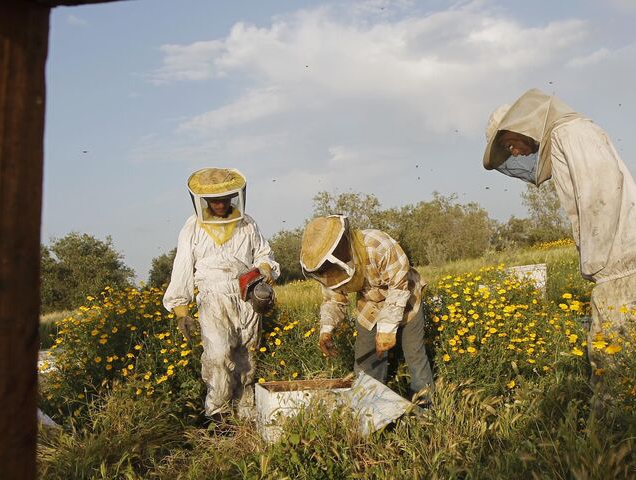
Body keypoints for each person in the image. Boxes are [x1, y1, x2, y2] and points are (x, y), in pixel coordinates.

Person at [483, 88, 636, 348]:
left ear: (520, 125)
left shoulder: (570, 134)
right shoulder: (565, 135)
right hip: (619, 259)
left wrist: (597, 263)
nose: (514, 153)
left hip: (621, 259)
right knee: (631, 344)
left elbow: (601, 195)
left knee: (611, 350)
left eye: (510, 144)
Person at [163, 167, 279, 427]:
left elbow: (263, 254)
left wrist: (265, 269)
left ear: (233, 196)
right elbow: (182, 267)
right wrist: (182, 312)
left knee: (246, 355)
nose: (218, 204)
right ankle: (218, 415)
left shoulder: (247, 223)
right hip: (213, 296)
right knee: (218, 355)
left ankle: (245, 414)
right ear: (203, 200)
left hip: (246, 293)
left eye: (223, 198)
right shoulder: (193, 227)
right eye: (213, 199)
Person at [300, 214, 433, 406]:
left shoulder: (379, 244)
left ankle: (425, 415)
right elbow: (334, 300)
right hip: (369, 308)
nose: (329, 271)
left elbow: (399, 287)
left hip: (407, 302)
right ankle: (370, 416)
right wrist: (326, 330)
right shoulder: (331, 270)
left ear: (341, 247)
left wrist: (387, 329)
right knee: (366, 365)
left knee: (415, 357)